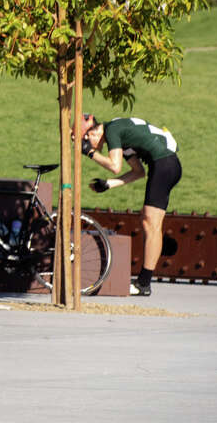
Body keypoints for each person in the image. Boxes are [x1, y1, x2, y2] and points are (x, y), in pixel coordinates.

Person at [80, 112, 182, 297]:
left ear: (91, 134)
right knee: (148, 222)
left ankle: (144, 283)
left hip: (164, 163)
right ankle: (144, 281)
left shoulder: (112, 130)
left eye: (85, 140)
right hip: (166, 165)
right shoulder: (119, 134)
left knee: (150, 223)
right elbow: (138, 172)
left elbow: (115, 165)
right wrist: (109, 184)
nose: (88, 143)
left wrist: (90, 153)